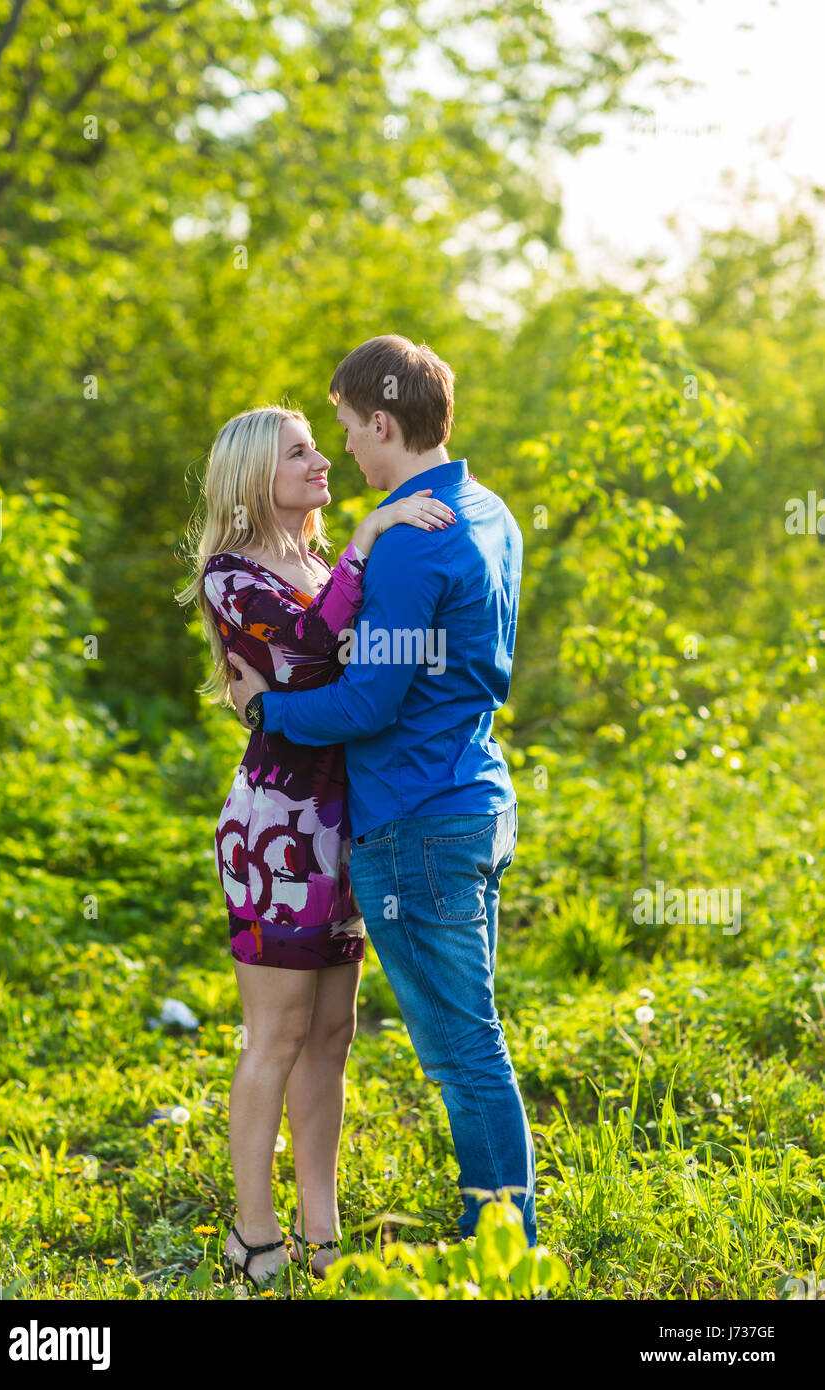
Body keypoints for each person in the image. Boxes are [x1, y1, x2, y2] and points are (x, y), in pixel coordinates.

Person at [227, 335, 537, 1251]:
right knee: (467, 1042)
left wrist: (268, 711)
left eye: (349, 433)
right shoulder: (489, 511)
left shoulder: (409, 543)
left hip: (418, 822)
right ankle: (498, 1236)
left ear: (384, 420)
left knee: (462, 1054)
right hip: (475, 796)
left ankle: (504, 1250)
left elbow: (368, 701)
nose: (344, 454)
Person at [177, 404, 455, 1290]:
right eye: (301, 451)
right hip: (278, 831)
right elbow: (302, 647)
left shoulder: (322, 562)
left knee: (333, 1033)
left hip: (351, 819)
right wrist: (374, 530)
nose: (323, 460)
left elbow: (359, 660)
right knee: (277, 1032)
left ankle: (321, 1231)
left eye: (317, 445)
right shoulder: (231, 574)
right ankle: (253, 1237)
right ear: (259, 473)